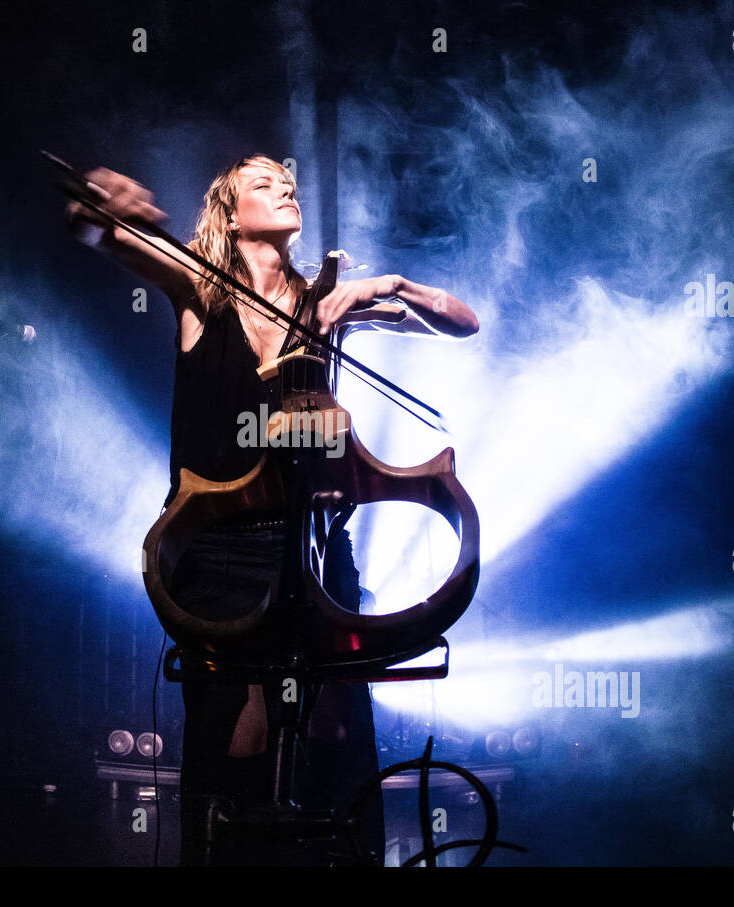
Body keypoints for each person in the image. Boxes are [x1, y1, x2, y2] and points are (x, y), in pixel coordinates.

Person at [65, 154, 478, 864]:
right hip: (221, 546)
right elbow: (101, 235)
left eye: (287, 181)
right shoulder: (201, 282)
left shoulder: (324, 303)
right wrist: (101, 207)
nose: (284, 186)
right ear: (228, 213)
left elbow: (464, 323)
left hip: (316, 546)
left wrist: (393, 285)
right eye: (261, 183)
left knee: (336, 733)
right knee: (234, 740)